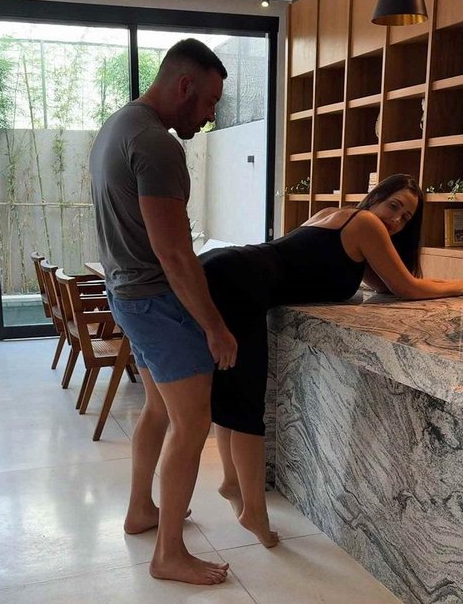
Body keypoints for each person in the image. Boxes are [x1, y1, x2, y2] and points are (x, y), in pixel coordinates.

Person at [199, 173, 463, 549]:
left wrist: (436, 283)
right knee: (246, 401)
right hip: (238, 283)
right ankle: (254, 510)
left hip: (227, 271)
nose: (396, 220)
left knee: (233, 389)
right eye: (394, 206)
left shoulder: (338, 217)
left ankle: (231, 483)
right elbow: (407, 288)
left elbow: (389, 283)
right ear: (375, 197)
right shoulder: (367, 223)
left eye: (406, 217)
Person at [89, 38, 237, 586]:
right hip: (155, 300)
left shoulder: (117, 126)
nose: (211, 114)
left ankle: (140, 511)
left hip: (127, 294)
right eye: (210, 101)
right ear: (184, 85)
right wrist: (215, 327)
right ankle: (168, 554)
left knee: (157, 409)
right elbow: (174, 253)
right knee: (191, 422)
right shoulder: (156, 143)